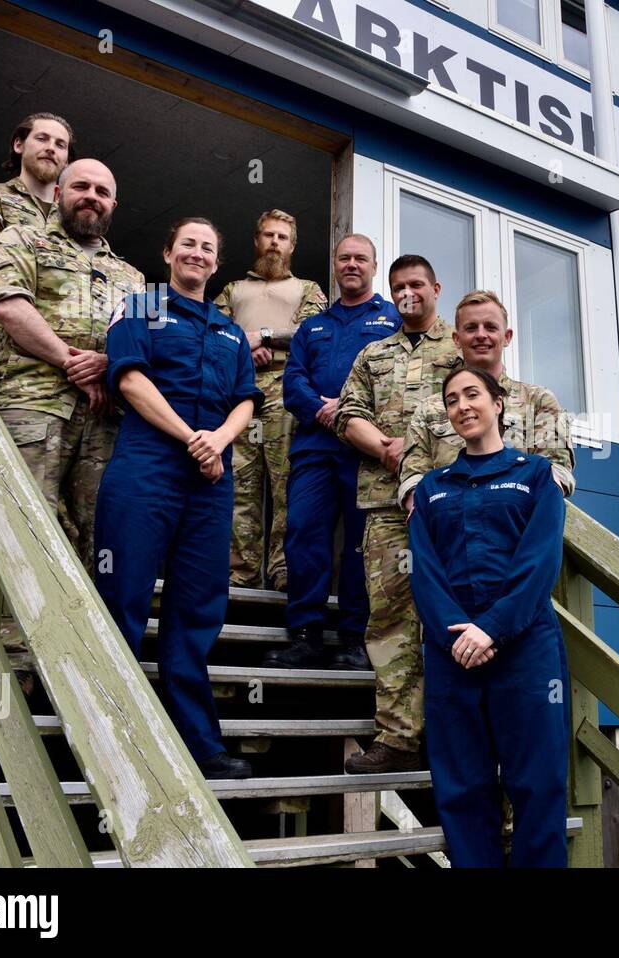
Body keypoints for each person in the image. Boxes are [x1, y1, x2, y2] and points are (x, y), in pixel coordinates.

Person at [94, 218, 262, 780]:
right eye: (187, 243)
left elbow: (247, 401)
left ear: (216, 265)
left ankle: (198, 744)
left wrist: (217, 439)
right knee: (124, 599)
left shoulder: (231, 332)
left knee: (197, 610)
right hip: (146, 467)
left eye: (208, 248)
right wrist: (190, 436)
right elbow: (130, 378)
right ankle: (110, 740)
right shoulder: (140, 305)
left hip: (210, 481)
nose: (197, 253)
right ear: (168, 253)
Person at [408, 366, 569, 867]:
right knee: (462, 789)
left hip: (525, 650)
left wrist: (492, 628)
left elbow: (539, 562)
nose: (462, 406)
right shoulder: (432, 488)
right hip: (451, 649)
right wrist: (459, 633)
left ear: (499, 404)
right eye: (452, 400)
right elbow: (425, 571)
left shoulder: (534, 476)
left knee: (537, 784)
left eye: (472, 394)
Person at [333, 254, 459, 774]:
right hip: (385, 505)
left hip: (451, 504)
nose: (408, 293)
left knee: (453, 618)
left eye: (416, 285)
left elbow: (479, 411)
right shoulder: (372, 353)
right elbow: (346, 414)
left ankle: (452, 738)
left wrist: (420, 451)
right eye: (398, 287)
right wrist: (387, 448)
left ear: (435, 287)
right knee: (390, 621)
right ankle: (398, 738)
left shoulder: (461, 348)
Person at [267, 234, 400, 670]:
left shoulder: (392, 320)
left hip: (366, 452)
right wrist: (326, 413)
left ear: (373, 266)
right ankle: (305, 633)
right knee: (305, 533)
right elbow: (294, 382)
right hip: (314, 449)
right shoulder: (313, 326)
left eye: (360, 258)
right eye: (344, 258)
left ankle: (355, 638)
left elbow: (396, 382)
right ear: (335, 265)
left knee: (363, 544)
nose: (351, 264)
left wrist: (352, 415)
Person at [213, 209, 328, 591]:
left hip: (285, 391)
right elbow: (212, 333)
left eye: (282, 237)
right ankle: (240, 572)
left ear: (292, 246)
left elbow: (309, 332)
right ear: (256, 241)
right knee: (240, 485)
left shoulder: (308, 288)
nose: (274, 243)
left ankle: (283, 571)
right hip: (240, 390)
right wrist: (242, 350)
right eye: (268, 235)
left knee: (286, 484)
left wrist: (259, 336)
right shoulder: (232, 290)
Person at [399, 289, 575, 508]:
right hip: (445, 527)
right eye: (471, 328)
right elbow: (413, 478)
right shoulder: (430, 409)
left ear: (507, 336)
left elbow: (556, 471)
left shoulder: (539, 402)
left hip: (516, 528)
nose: (481, 334)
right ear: (456, 339)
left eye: (490, 327)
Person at [0, 112, 74, 391]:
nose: (51, 148)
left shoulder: (74, 219)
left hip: (63, 357)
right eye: (42, 138)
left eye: (60, 144)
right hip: (0, 353)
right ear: (19, 145)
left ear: (67, 159)